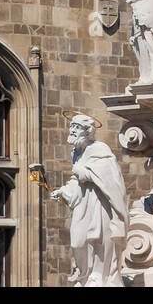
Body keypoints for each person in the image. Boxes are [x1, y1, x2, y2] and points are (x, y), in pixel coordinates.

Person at [50, 114, 129, 287]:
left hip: (100, 203)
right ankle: (83, 275)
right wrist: (64, 191)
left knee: (98, 239)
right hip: (83, 203)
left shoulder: (100, 149)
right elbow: (76, 180)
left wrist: (85, 172)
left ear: (87, 131)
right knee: (78, 240)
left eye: (76, 127)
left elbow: (110, 176)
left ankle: (98, 276)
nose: (72, 130)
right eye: (72, 126)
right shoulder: (77, 152)